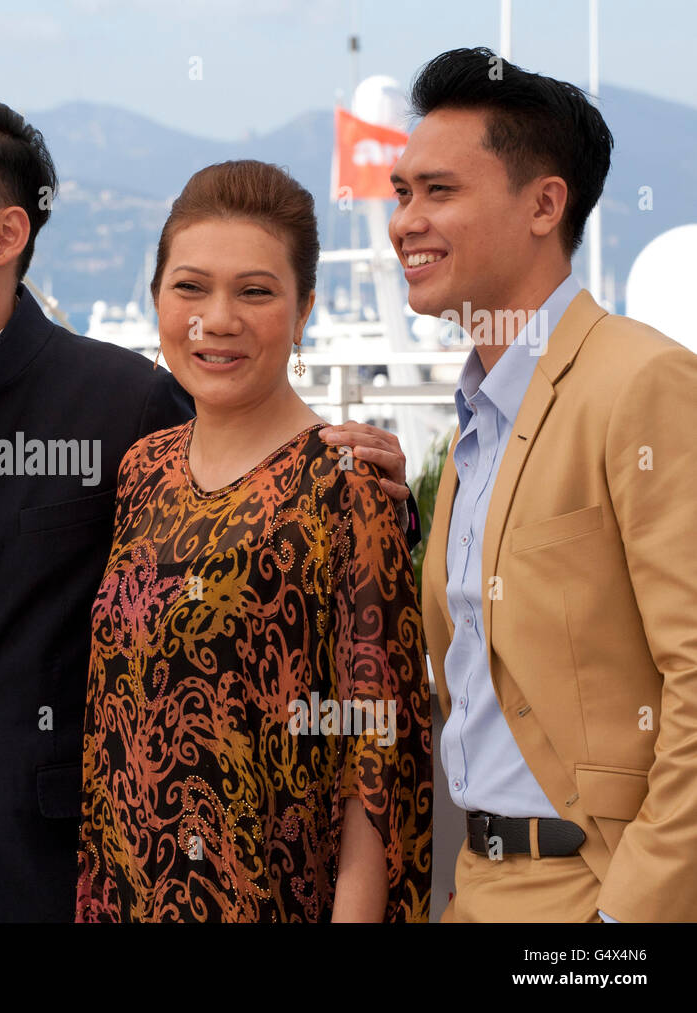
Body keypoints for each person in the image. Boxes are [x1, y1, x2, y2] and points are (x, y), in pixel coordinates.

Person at [0, 87, 419, 921]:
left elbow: (363, 719)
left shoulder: (126, 405)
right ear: (158, 296)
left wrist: (390, 506)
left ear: (8, 233)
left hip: (99, 874)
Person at [75, 161, 432, 923]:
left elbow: (377, 759)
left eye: (256, 291)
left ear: (304, 310)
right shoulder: (144, 469)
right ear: (157, 301)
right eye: (191, 287)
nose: (218, 318)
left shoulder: (347, 482)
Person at [392, 48, 697, 922]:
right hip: (477, 888)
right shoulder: (474, 425)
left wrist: (622, 926)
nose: (405, 221)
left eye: (438, 191)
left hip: (593, 900)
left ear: (544, 204)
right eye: (400, 193)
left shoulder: (643, 384)